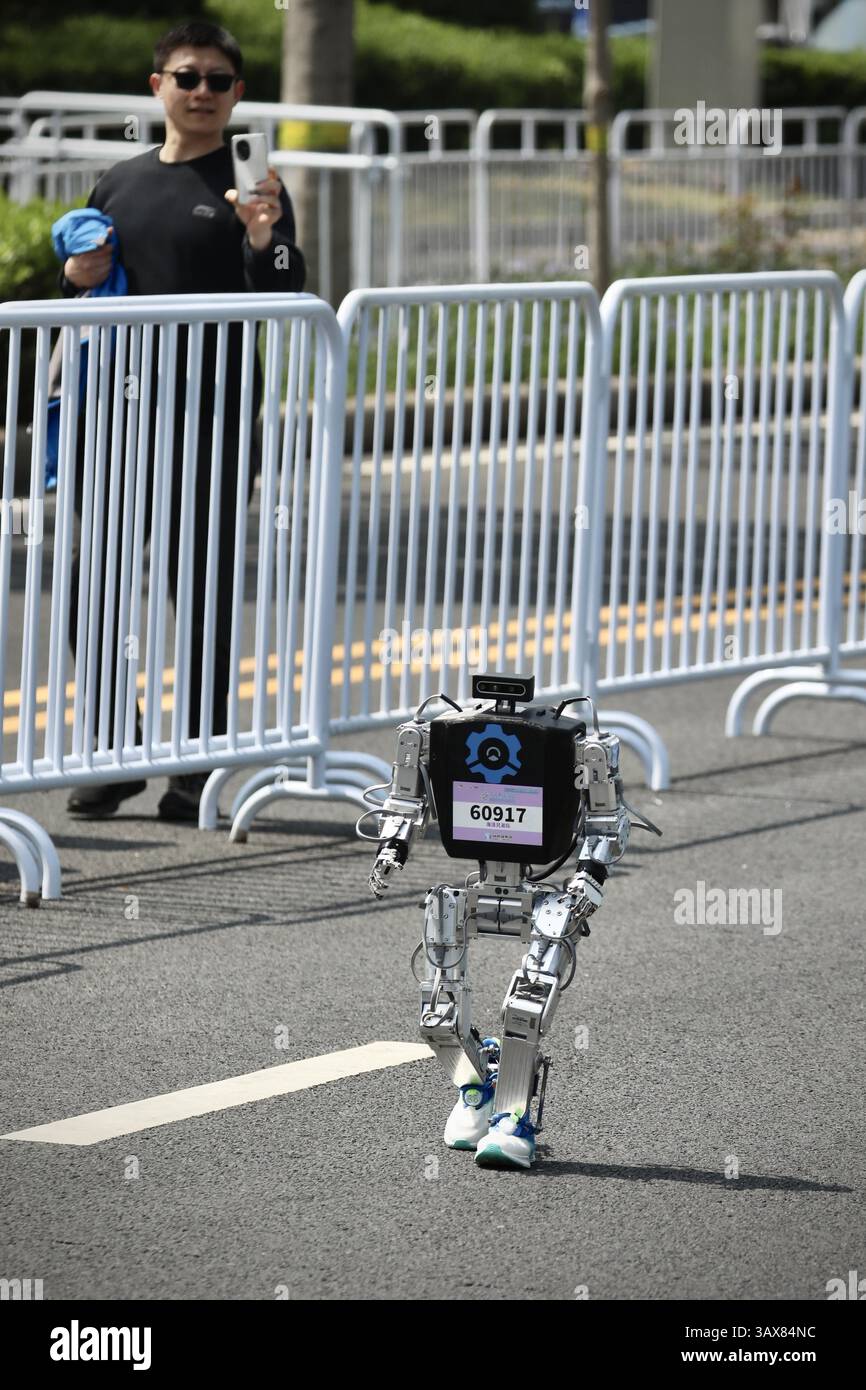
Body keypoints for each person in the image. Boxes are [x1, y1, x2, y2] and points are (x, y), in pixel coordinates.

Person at [59, 19, 305, 821]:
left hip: (212, 413)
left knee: (197, 588)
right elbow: (86, 291)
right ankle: (112, 748)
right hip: (113, 416)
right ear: (156, 86)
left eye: (220, 82)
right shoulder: (120, 180)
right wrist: (75, 272)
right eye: (188, 77)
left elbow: (281, 295)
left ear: (238, 94)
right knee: (90, 587)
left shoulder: (253, 186)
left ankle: (197, 763)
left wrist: (264, 236)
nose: (203, 93)